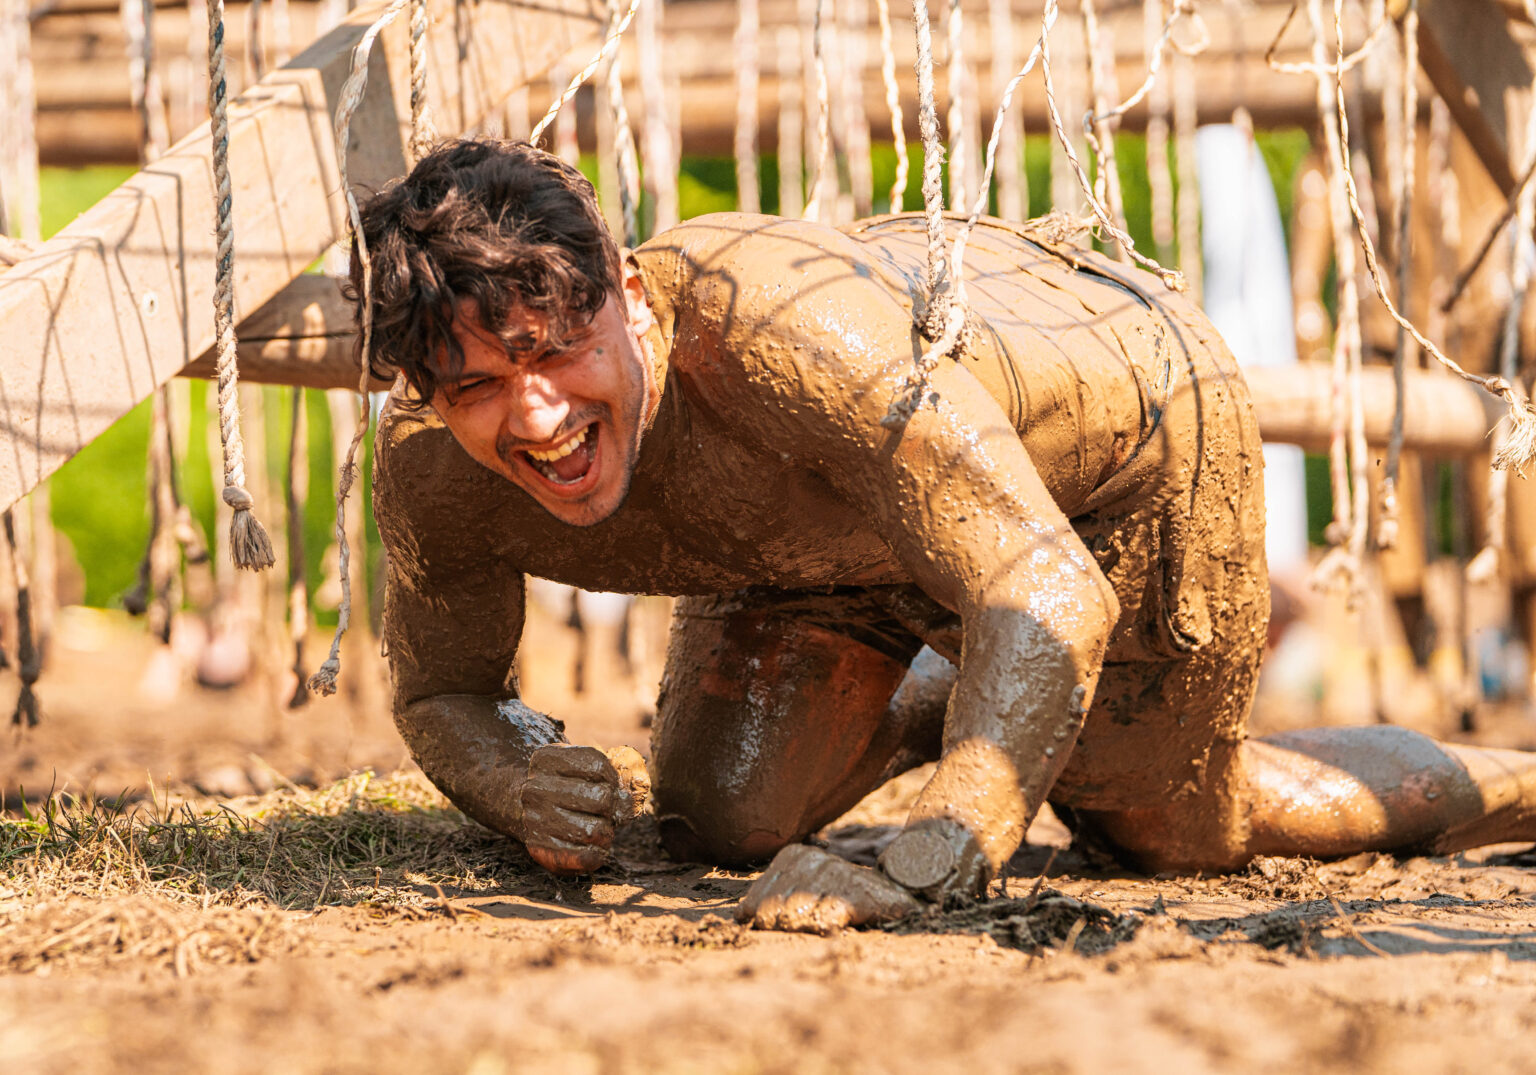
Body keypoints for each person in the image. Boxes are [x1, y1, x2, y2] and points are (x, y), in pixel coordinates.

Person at [358, 139, 1536, 934]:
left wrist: (942, 841)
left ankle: (1522, 788)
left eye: (554, 350)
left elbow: (1045, 580)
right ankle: (962, 684)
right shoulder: (430, 470)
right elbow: (443, 688)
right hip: (831, 542)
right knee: (723, 814)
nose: (537, 419)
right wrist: (515, 780)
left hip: (1111, 466)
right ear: (422, 388)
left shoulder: (787, 342)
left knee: (1176, 829)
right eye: (476, 387)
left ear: (625, 291)